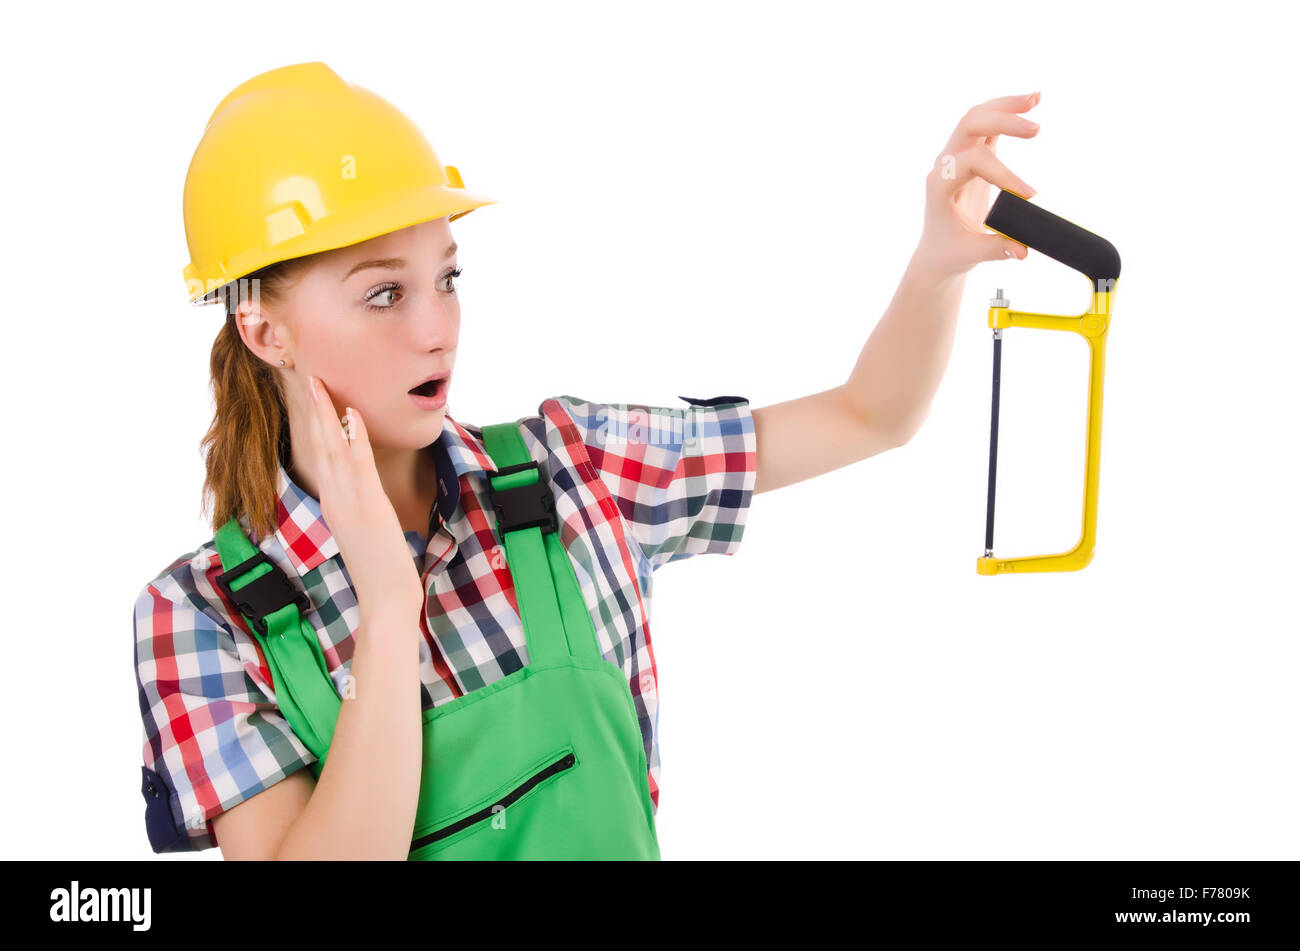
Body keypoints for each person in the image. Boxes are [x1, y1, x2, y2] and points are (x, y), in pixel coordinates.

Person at [135, 61, 1042, 860]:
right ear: (265, 329)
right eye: (383, 294)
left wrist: (938, 261)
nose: (436, 329)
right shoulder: (203, 618)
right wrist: (386, 598)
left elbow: (869, 415)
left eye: (448, 277)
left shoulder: (575, 470)